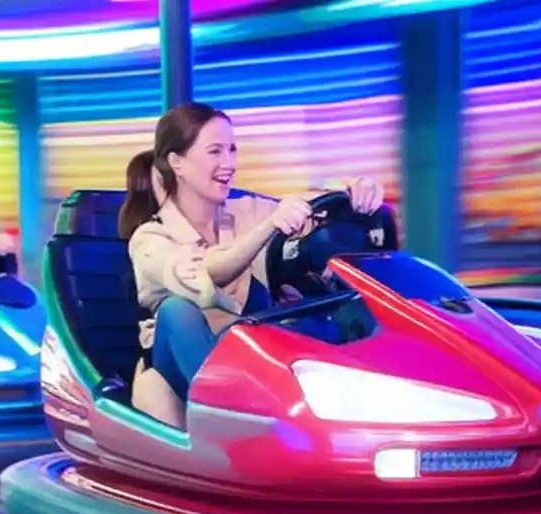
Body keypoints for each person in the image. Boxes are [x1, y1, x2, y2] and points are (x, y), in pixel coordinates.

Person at [118, 101, 384, 427]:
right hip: (181, 367)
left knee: (328, 312)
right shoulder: (150, 239)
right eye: (215, 151)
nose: (229, 163)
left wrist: (358, 194)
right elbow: (209, 271)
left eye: (232, 149)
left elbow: (307, 210)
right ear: (177, 163)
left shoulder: (246, 210)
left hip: (247, 355)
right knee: (177, 310)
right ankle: (235, 419)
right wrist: (269, 225)